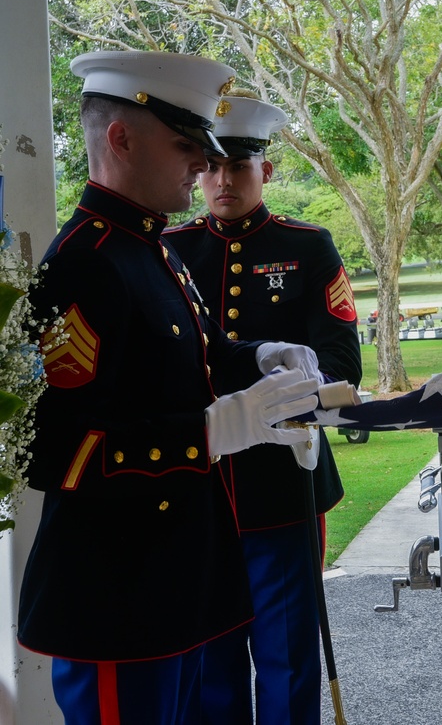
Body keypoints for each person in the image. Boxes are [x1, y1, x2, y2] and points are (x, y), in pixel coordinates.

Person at [17, 51, 329, 725]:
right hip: (115, 599)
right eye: (186, 145)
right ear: (120, 138)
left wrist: (265, 357)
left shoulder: (150, 248)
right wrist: (211, 433)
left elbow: (203, 356)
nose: (202, 163)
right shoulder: (83, 263)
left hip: (177, 586)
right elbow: (53, 450)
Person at [165, 92, 362, 724]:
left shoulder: (308, 247)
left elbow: (340, 363)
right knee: (211, 661)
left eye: (239, 165)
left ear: (266, 172)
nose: (223, 179)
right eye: (212, 166)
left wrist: (290, 397)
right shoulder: (169, 249)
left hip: (282, 485)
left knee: (286, 658)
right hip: (200, 485)